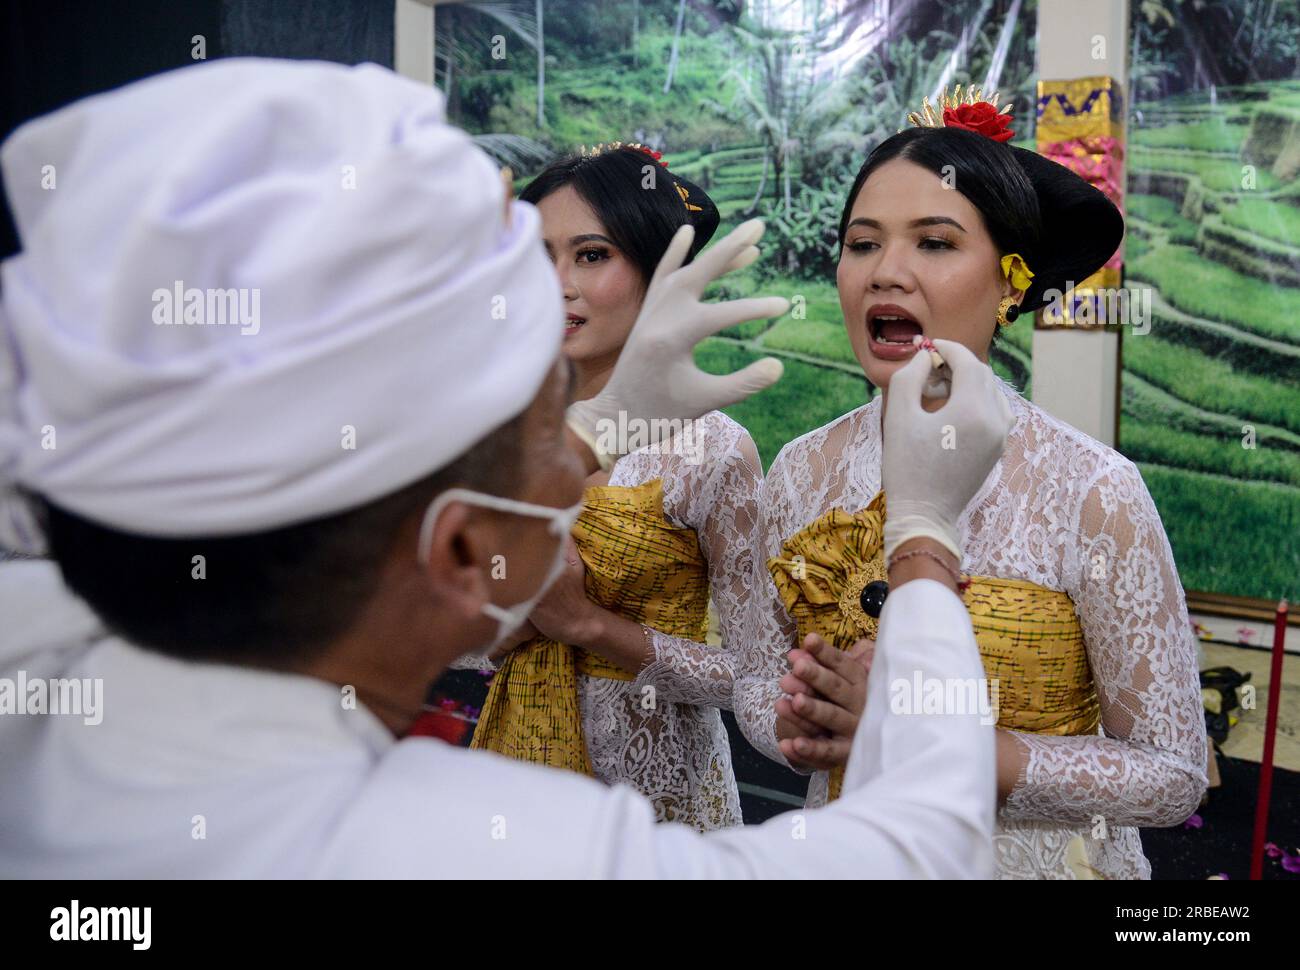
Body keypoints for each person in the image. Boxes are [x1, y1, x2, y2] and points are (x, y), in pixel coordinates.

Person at [0, 59, 1004, 878]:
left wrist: (593, 423)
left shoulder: (36, 670)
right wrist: (923, 533)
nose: (576, 471)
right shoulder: (484, 852)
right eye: (546, 440)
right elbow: (918, 848)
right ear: (460, 551)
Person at [734, 88, 1208, 879]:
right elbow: (755, 677)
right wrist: (803, 718)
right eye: (862, 243)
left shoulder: (1092, 488)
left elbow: (1171, 775)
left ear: (1011, 282)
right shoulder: (802, 471)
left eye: (935, 243)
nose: (888, 272)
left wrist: (929, 740)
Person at [465, 145, 760, 831]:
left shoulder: (711, 449)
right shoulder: (492, 433)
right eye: (537, 257)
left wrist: (587, 625)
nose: (558, 283)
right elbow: (428, 628)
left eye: (591, 255)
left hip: (662, 814)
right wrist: (511, 626)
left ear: (660, 275)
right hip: (514, 793)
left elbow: (754, 680)